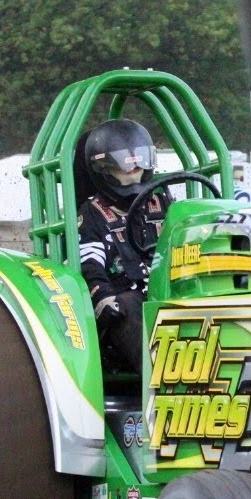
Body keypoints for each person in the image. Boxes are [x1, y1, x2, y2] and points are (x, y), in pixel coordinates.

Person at [77, 118, 168, 374]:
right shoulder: (92, 213)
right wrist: (102, 296)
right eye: (124, 166)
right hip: (124, 305)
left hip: (167, 293)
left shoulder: (162, 202)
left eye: (139, 163)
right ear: (104, 169)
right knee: (125, 305)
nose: (133, 170)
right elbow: (90, 264)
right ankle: (161, 377)